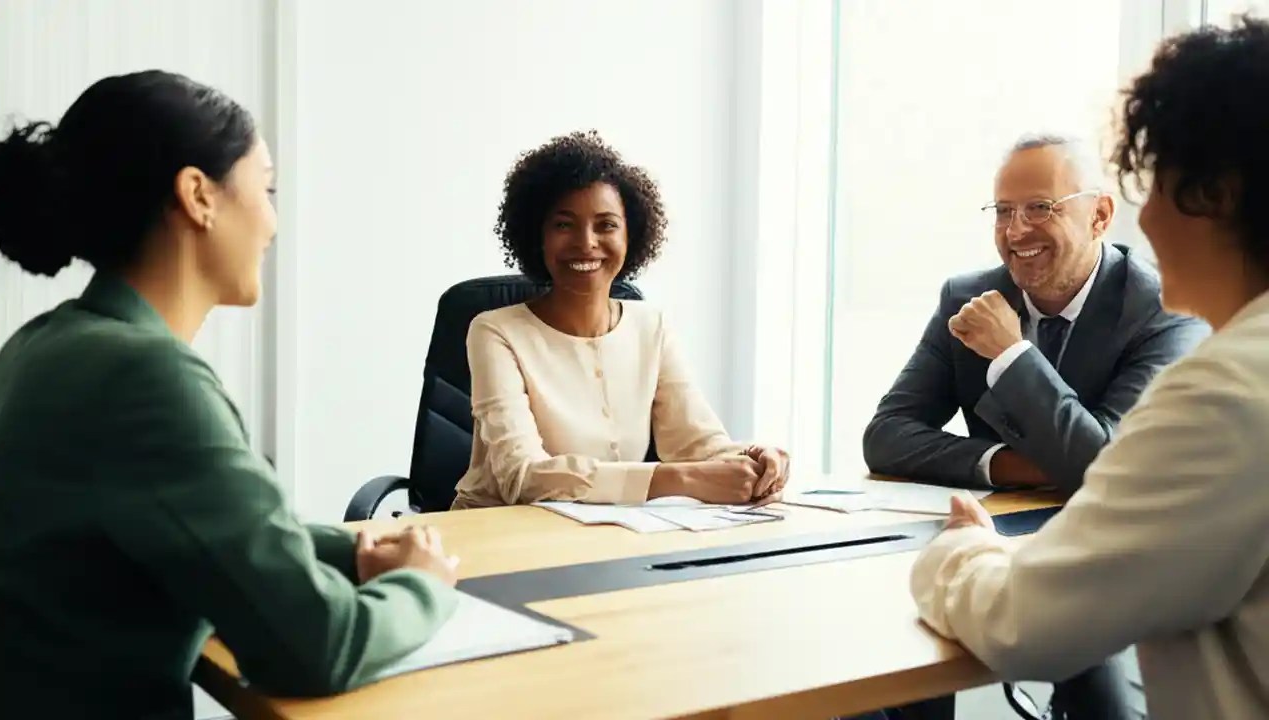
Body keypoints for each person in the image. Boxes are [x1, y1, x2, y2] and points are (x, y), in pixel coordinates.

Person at [0, 71, 460, 719]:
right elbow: (317, 646)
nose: (271, 221)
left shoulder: (43, 344)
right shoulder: (146, 378)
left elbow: (205, 524)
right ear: (197, 196)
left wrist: (349, 548)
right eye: (265, 188)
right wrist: (422, 586)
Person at [910, 18, 1269, 720]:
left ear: (1216, 193)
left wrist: (960, 553)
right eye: (1004, 212)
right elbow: (888, 430)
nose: (1148, 218)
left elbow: (1027, 623)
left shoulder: (1224, 393)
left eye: (1154, 182)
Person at [451, 131, 789, 510]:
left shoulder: (651, 326)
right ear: (537, 236)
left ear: (632, 235)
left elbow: (695, 442)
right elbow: (523, 476)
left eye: (606, 225)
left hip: (604, 534)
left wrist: (752, 460)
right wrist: (678, 478)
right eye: (564, 225)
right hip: (497, 533)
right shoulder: (495, 331)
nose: (586, 242)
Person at [863, 136, 1206, 497]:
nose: (1015, 231)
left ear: (1099, 216)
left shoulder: (1163, 310)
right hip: (1001, 528)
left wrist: (1011, 355)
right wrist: (1013, 466)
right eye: (1003, 211)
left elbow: (1105, 465)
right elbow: (885, 436)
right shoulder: (967, 300)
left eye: (1040, 207)